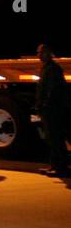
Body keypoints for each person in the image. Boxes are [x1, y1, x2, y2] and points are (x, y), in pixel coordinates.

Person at [36, 44, 68, 177]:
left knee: (56, 138)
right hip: (48, 109)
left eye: (41, 52)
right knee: (51, 138)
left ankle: (61, 167)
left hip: (53, 110)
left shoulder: (53, 69)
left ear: (48, 53)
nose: (38, 55)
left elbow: (53, 91)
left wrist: (45, 105)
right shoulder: (47, 68)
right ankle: (54, 164)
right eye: (38, 52)